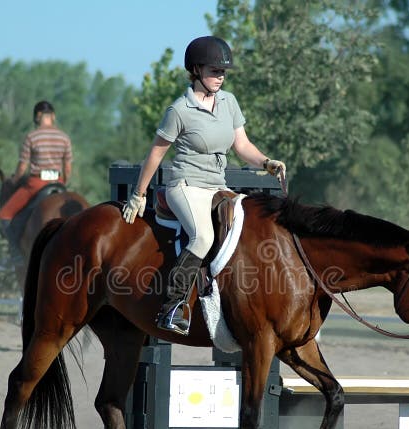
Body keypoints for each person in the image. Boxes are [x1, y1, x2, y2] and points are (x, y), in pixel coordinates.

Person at [122, 36, 286, 336]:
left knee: (249, 231)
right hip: (186, 185)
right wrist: (138, 193)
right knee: (202, 236)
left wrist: (266, 162)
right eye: (214, 71)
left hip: (217, 186)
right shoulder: (179, 110)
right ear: (196, 70)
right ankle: (172, 306)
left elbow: (242, 145)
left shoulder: (229, 102)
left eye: (223, 72)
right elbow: (156, 153)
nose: (220, 77)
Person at [0, 100, 73, 264]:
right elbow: (67, 168)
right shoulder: (64, 138)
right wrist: (63, 183)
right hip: (58, 181)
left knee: (4, 214)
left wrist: (14, 181)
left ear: (37, 117)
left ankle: (16, 255)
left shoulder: (32, 136)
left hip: (36, 183)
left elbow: (22, 165)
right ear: (53, 116)